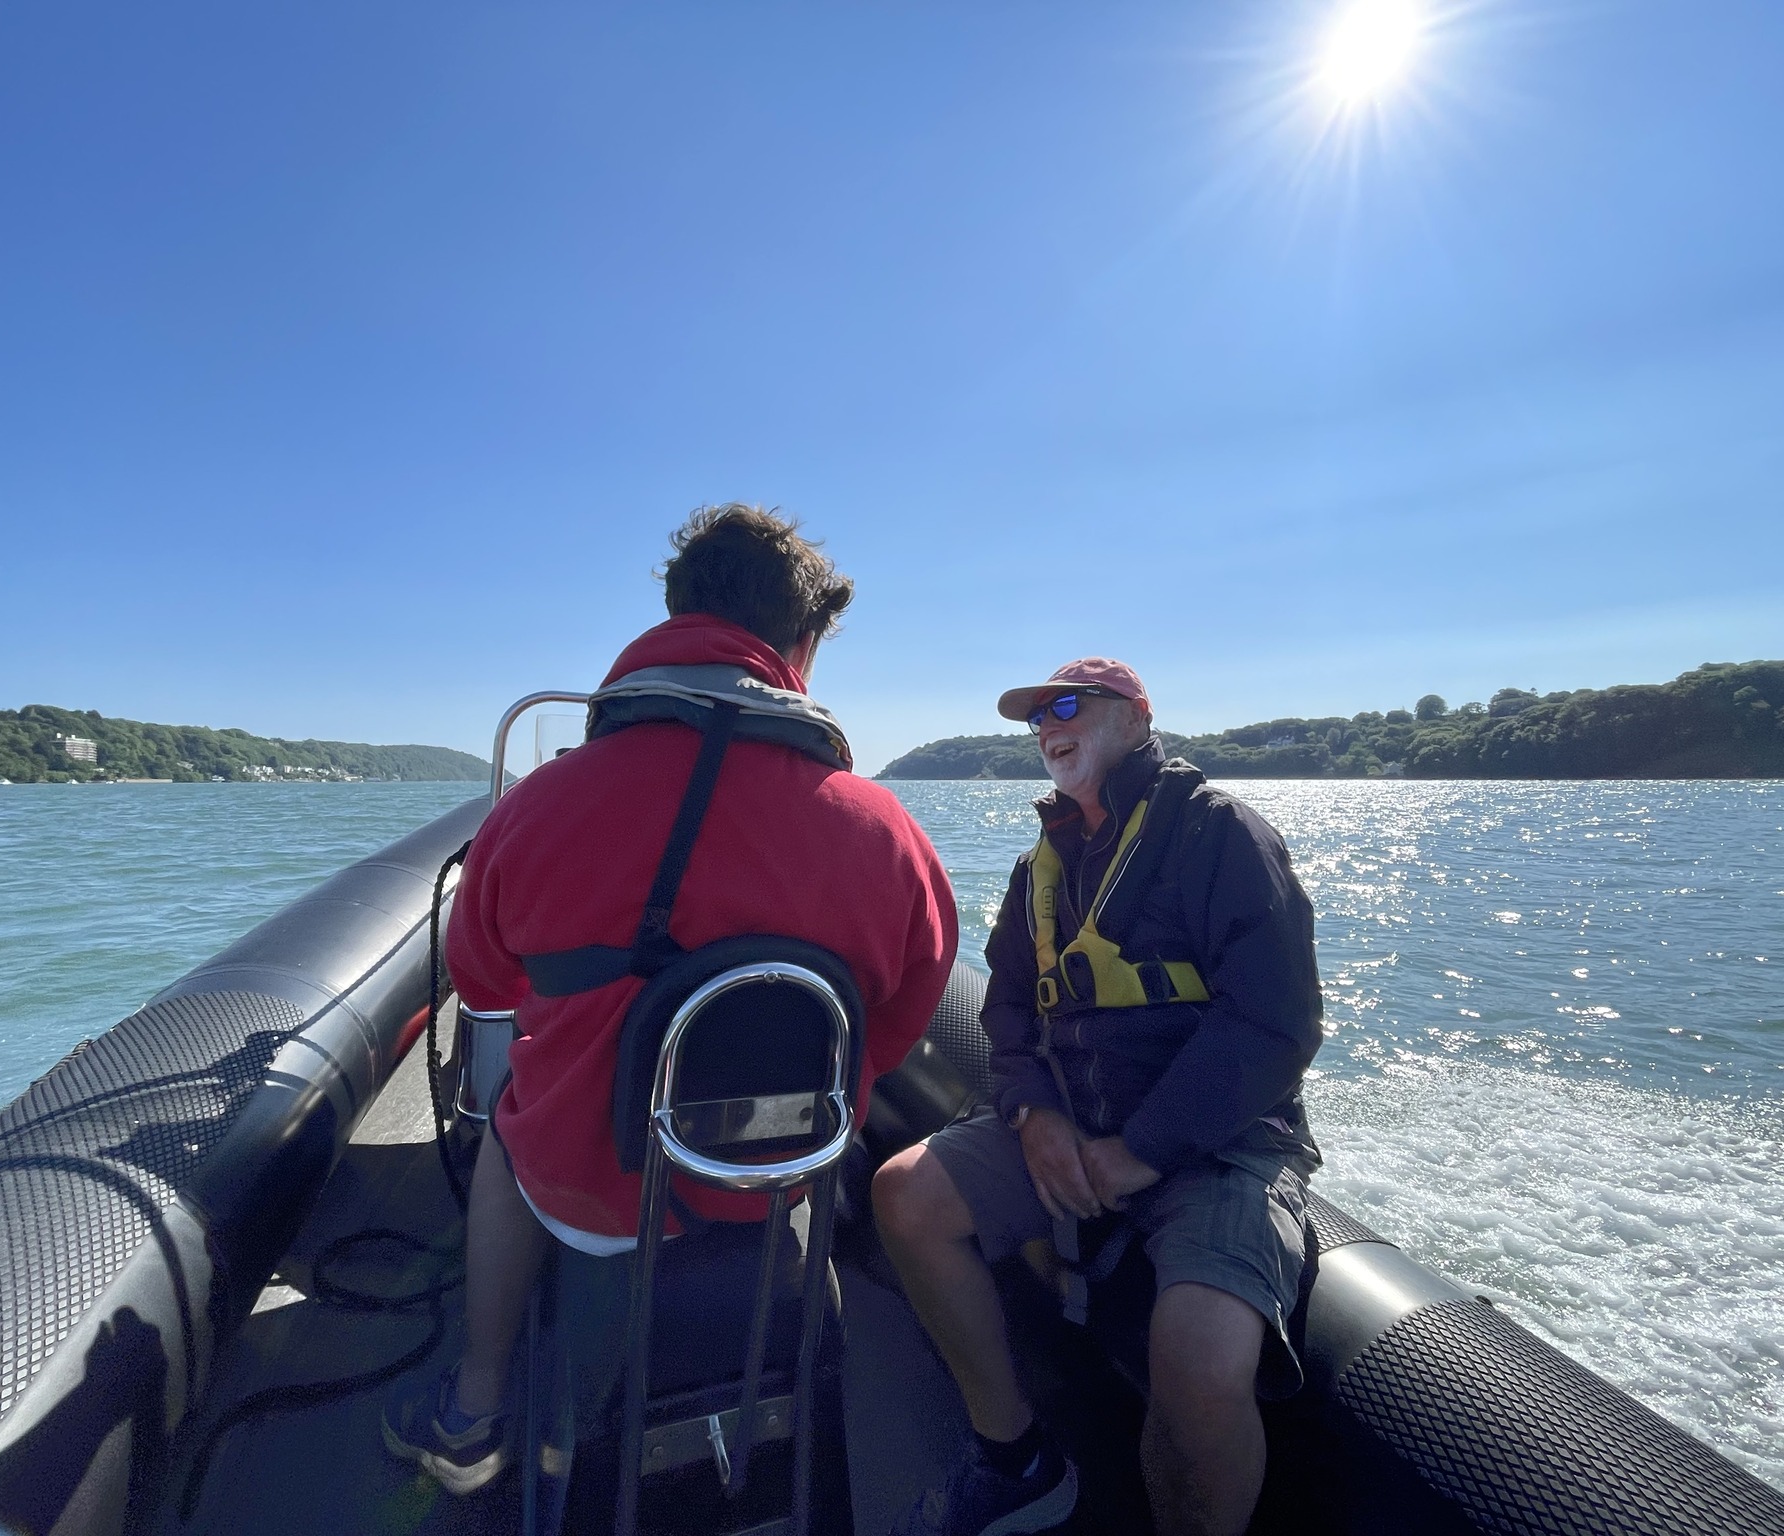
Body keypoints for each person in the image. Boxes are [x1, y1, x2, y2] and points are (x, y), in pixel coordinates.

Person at [384, 505, 958, 1493]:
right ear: (802, 644)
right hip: (774, 1170)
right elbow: (903, 1011)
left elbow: (482, 983)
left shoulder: (540, 804)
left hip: (586, 1183)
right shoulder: (885, 831)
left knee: (508, 1135)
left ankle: (473, 1411)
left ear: (676, 611)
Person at [873, 658, 1324, 1536]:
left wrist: (1141, 1149)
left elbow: (1277, 1023)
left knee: (1198, 1358)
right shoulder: (1040, 865)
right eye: (1036, 717)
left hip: (1218, 1145)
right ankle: (1016, 1459)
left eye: (1069, 706)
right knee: (905, 1195)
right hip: (1074, 1121)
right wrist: (1034, 1115)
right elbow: (1007, 1009)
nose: (1048, 725)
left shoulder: (1220, 834)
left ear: (1137, 718)